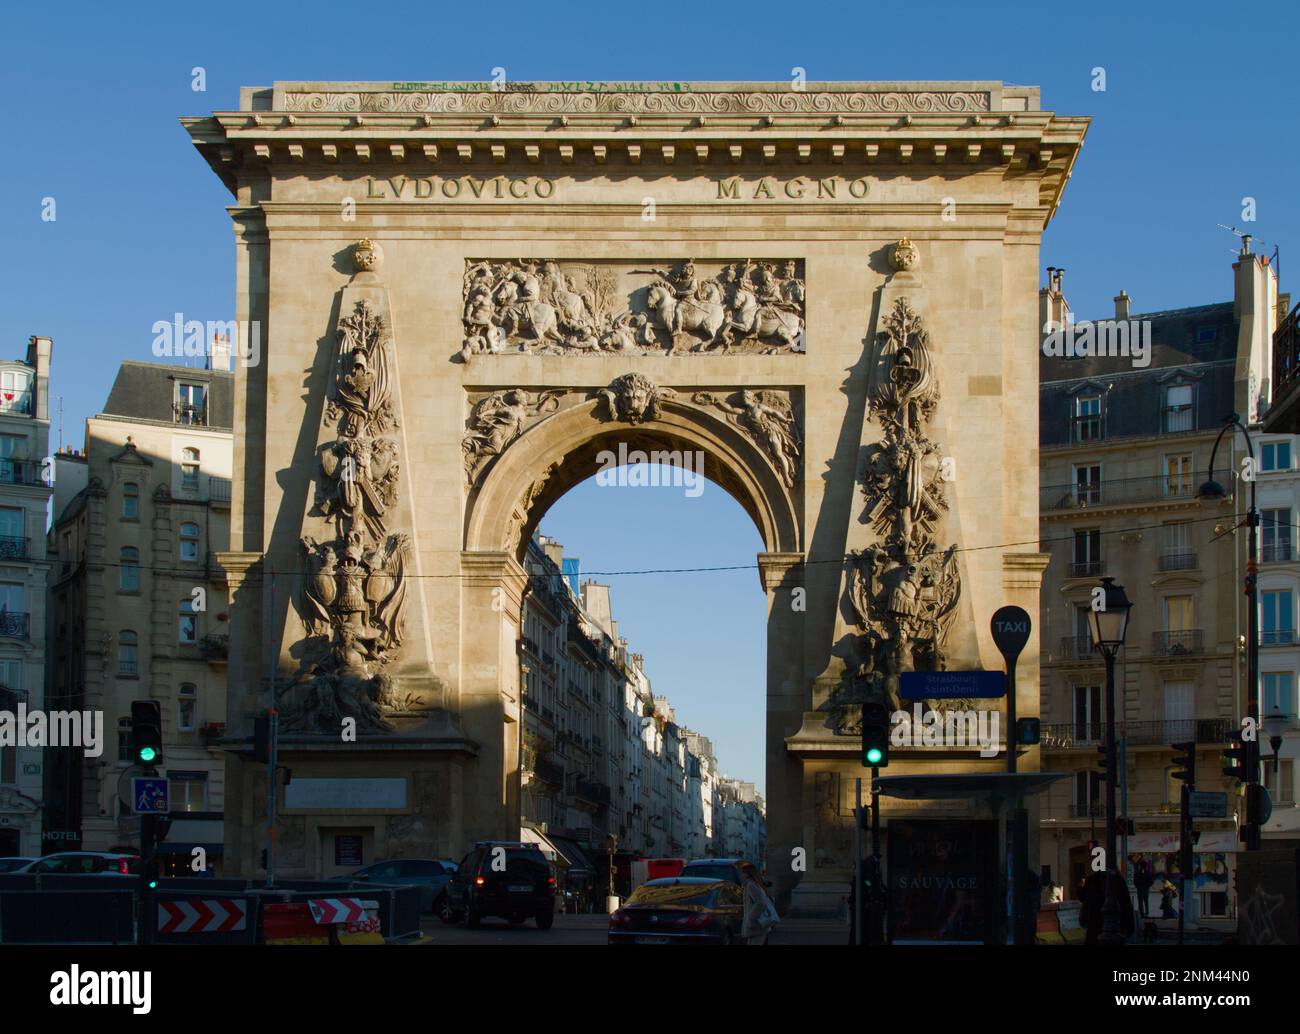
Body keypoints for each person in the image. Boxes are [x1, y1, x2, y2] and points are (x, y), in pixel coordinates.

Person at [740, 862, 775, 945]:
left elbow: (760, 903)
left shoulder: (751, 885)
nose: (741, 875)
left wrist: (751, 918)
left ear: (747, 874)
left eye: (742, 872)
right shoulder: (754, 884)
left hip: (756, 925)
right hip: (757, 925)